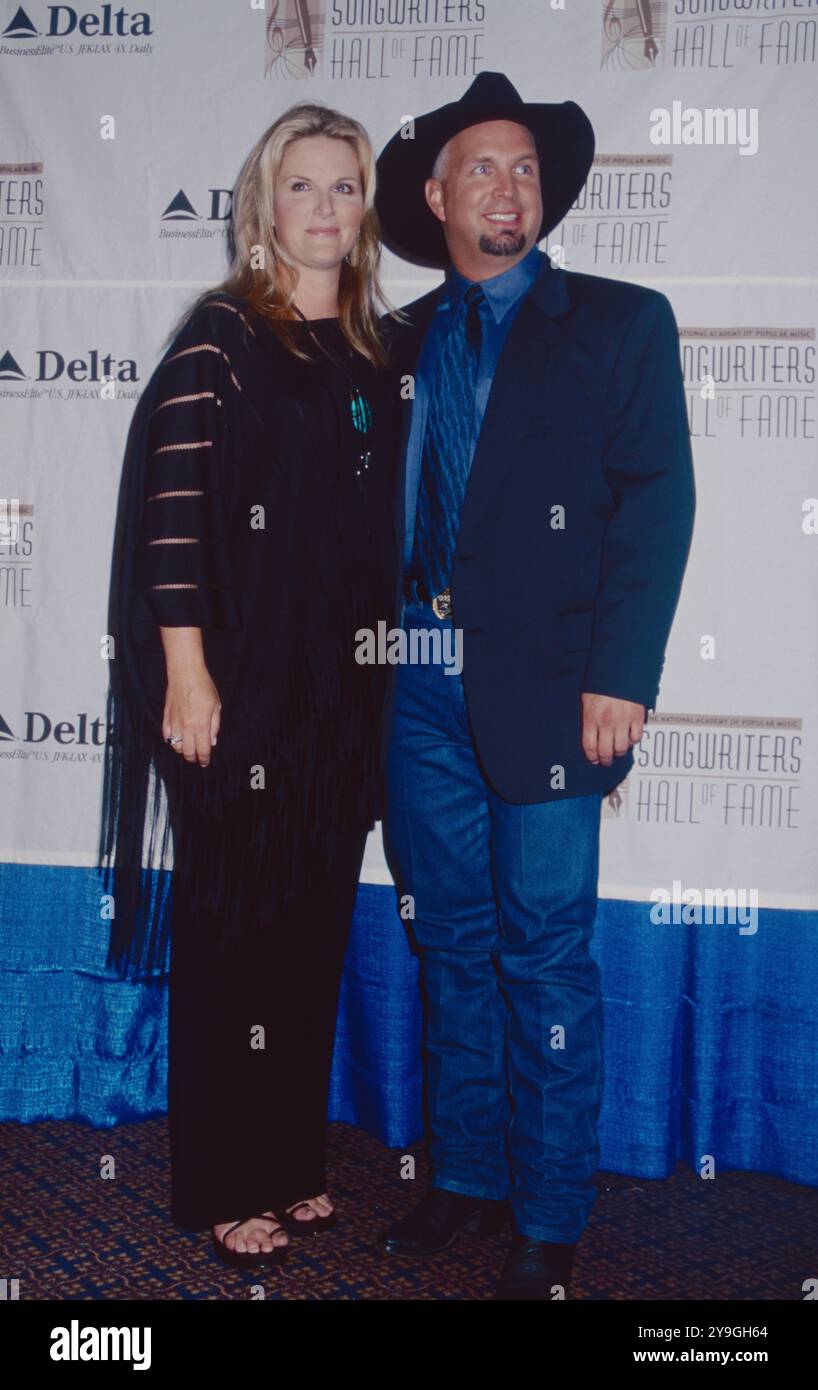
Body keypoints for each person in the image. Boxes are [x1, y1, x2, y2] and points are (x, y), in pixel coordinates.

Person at [375, 72, 696, 1299]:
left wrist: (622, 675)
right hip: (408, 682)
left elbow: (654, 507)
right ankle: (462, 1176)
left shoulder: (621, 321)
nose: (508, 186)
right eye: (482, 166)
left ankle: (550, 1205)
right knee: (447, 943)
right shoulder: (392, 340)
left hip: (558, 693)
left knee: (544, 954)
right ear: (437, 193)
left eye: (525, 168)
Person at [98, 102, 399, 1269]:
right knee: (235, 940)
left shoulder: (369, 349)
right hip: (236, 694)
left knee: (310, 931)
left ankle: (288, 1163)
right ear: (261, 205)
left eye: (344, 187)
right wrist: (187, 672)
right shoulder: (220, 335)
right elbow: (170, 513)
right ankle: (222, 1183)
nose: (324, 209)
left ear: (364, 209)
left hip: (335, 707)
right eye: (302, 186)